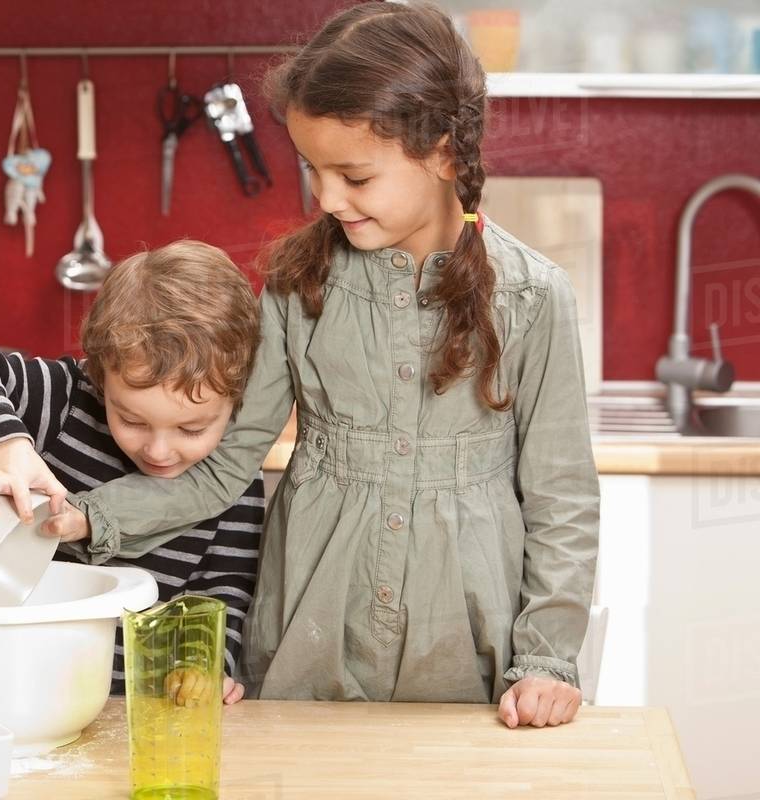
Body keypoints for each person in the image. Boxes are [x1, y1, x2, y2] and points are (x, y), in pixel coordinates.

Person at [64, 1, 600, 729]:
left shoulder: (537, 298)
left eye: (354, 175)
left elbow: (561, 498)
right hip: (307, 629)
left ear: (444, 151)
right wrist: (82, 516)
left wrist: (546, 659)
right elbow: (226, 468)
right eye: (312, 170)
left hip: (465, 638)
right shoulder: (297, 285)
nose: (325, 198)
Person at [0, 240, 264, 704]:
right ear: (100, 377)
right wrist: (2, 449)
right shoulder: (63, 403)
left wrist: (204, 667)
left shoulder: (234, 475)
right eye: (132, 420)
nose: (159, 450)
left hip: (135, 706)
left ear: (237, 401)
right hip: (9, 690)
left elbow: (223, 593)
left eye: (192, 428)